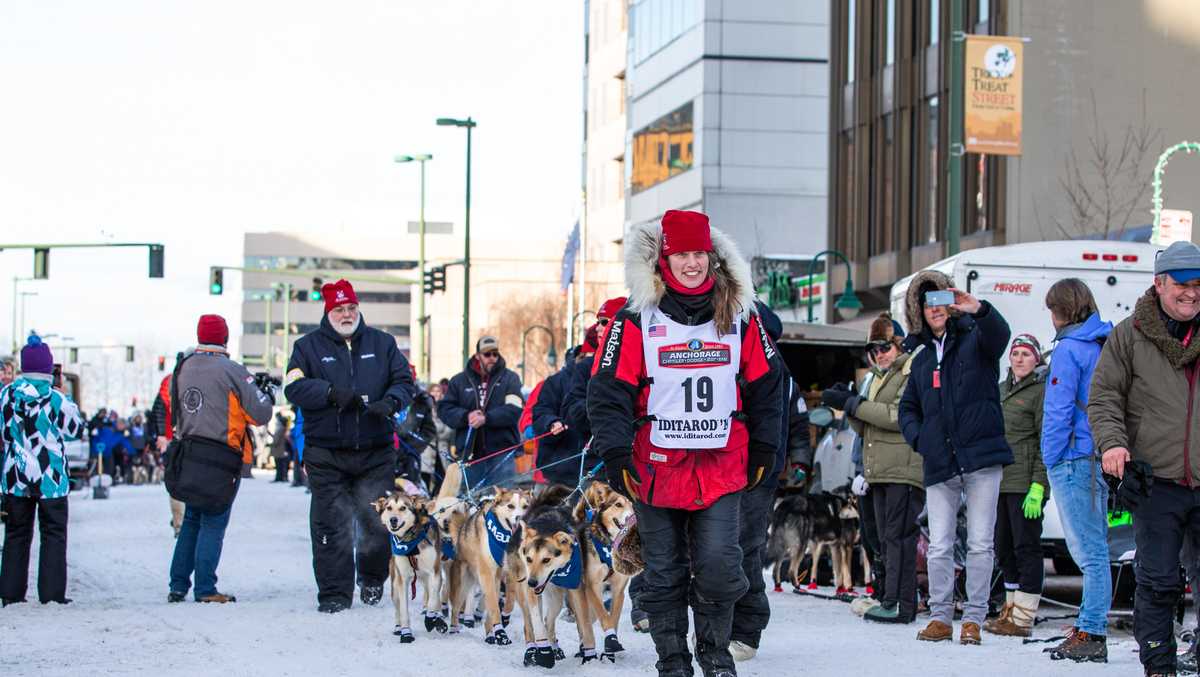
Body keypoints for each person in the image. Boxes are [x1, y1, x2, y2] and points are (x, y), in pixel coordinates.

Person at [588, 210, 785, 677]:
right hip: (654, 470)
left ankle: (715, 655)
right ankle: (673, 662)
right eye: (682, 255)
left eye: (699, 254)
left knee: (719, 565)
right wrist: (615, 453)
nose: (692, 263)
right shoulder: (635, 318)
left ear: (712, 259)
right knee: (664, 572)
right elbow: (607, 391)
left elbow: (768, 385)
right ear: (664, 260)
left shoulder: (742, 316)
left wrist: (764, 447)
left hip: (722, 466)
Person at [1090, 241, 1200, 675]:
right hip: (1158, 482)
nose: (1192, 294)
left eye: (1199, 286)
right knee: (1158, 580)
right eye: (1183, 285)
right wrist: (1113, 444)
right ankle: (1159, 664)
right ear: (1159, 284)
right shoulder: (1129, 334)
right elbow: (1103, 397)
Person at [284, 279, 415, 613]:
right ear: (329, 311)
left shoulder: (383, 343)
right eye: (339, 309)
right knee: (330, 524)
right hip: (326, 453)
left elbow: (404, 382)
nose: (346, 314)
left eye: (351, 308)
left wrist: (391, 402)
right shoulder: (307, 347)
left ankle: (372, 579)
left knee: (376, 521)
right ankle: (334, 593)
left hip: (375, 451)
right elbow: (293, 388)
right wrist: (328, 393)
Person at [898, 270, 1012, 646]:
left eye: (939, 300)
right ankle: (941, 616)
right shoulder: (920, 360)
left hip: (981, 459)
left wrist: (977, 308)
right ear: (918, 310)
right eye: (926, 302)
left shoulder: (977, 340)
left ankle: (974, 618)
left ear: (950, 303)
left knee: (980, 542)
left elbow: (1001, 335)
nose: (934, 310)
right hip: (940, 463)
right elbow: (908, 409)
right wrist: (921, 439)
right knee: (941, 544)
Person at [824, 313, 924, 625]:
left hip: (903, 467)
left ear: (897, 345)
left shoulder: (909, 371)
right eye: (873, 349)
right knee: (884, 539)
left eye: (884, 347)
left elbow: (897, 416)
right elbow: (868, 424)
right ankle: (889, 597)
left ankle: (901, 603)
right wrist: (850, 404)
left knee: (898, 538)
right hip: (880, 468)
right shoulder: (879, 376)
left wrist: (856, 405)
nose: (878, 354)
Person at [167, 315, 274, 604]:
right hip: (221, 456)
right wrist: (267, 394)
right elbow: (260, 414)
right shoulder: (232, 370)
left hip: (189, 452)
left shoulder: (183, 368)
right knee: (213, 521)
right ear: (225, 338)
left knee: (191, 519)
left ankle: (178, 585)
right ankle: (205, 588)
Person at [1034, 278, 1113, 661]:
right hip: (1099, 455)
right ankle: (1088, 624)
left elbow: (1058, 410)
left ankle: (1092, 631)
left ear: (1061, 310)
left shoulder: (1069, 349)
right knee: (1097, 545)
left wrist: (1049, 458)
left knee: (1088, 551)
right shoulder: (1105, 343)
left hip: (1073, 456)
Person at [730, 302, 811, 661]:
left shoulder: (781, 373)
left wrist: (800, 463)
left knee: (746, 547)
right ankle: (720, 624)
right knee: (720, 547)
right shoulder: (727, 360)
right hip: (723, 468)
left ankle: (746, 629)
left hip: (759, 473)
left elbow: (797, 425)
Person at [0, 335, 84, 606]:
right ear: (49, 369)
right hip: (51, 478)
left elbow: (2, 430)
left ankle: (11, 594)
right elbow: (75, 431)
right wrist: (65, 398)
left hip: (16, 476)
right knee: (54, 535)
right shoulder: (56, 398)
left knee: (16, 534)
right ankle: (51, 594)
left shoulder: (6, 395)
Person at [983, 334, 1048, 638]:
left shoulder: (1041, 393)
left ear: (1037, 359)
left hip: (1025, 484)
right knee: (1003, 548)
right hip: (999, 482)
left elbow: (1045, 443)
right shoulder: (998, 391)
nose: (1020, 359)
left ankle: (1024, 617)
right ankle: (1009, 609)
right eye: (1015, 354)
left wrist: (1039, 485)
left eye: (1026, 354)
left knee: (1026, 548)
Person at [437, 336, 524, 490]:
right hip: (470, 455)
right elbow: (445, 409)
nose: (492, 358)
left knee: (502, 505)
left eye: (495, 354)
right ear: (477, 356)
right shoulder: (459, 381)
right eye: (487, 354)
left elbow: (515, 410)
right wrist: (466, 416)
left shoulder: (510, 378)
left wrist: (487, 418)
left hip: (502, 454)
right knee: (468, 505)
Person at [269, 413, 292, 483]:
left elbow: (276, 440)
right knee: (282, 465)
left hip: (279, 450)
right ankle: (283, 477)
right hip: (282, 450)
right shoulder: (285, 429)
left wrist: (272, 443)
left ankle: (280, 477)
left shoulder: (280, 429)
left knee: (279, 465)